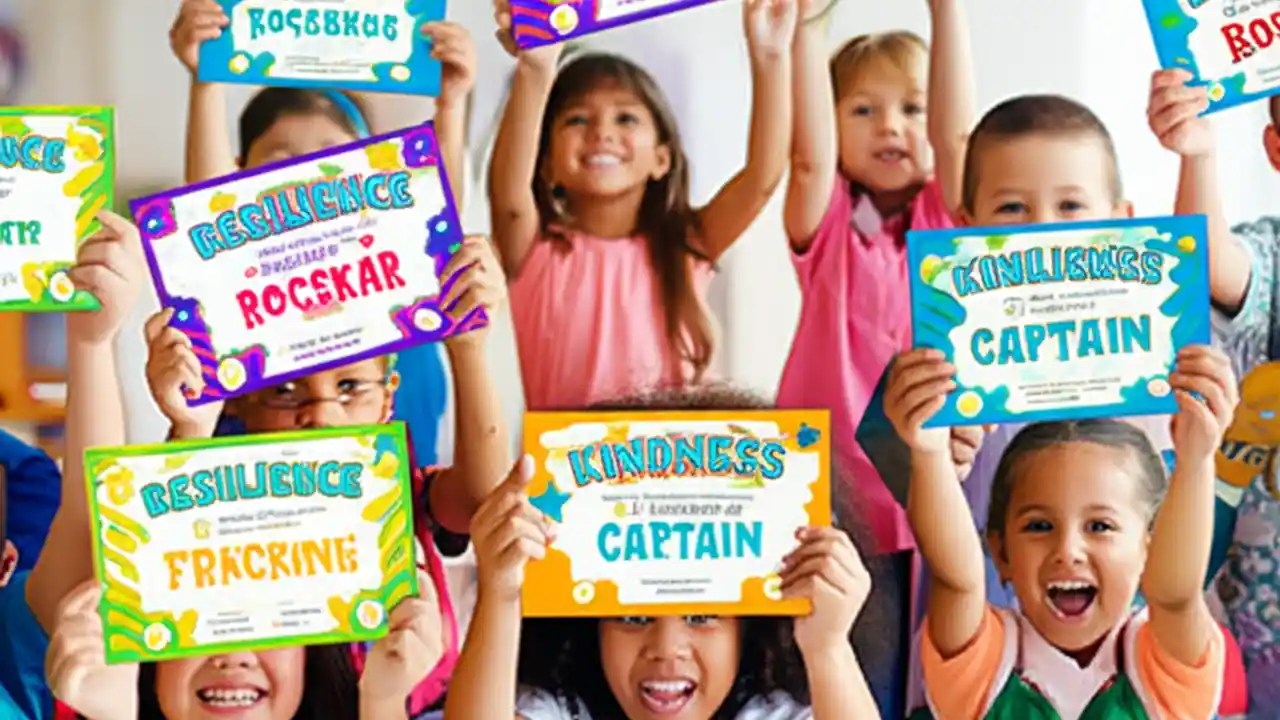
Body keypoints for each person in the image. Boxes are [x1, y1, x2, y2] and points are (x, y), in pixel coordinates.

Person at [445, 387, 883, 720]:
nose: (667, 649)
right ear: (591, 629)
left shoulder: (768, 711)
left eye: (701, 616)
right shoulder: (561, 708)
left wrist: (828, 648)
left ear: (747, 631)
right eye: (634, 618)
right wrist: (501, 597)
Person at [168, 0, 480, 466]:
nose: (307, 177)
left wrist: (450, 105)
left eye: (330, 157)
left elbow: (436, 214)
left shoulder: (388, 255)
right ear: (239, 174)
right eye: (281, 161)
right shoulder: (245, 268)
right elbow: (204, 206)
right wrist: (205, 80)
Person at [778, 3, 973, 713]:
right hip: (825, 505)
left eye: (911, 108)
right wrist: (807, 29)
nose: (891, 126)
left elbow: (956, 138)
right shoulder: (826, 221)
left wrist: (947, 12)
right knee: (832, 676)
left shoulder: (944, 222)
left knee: (917, 682)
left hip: (924, 500)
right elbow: (806, 156)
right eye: (863, 109)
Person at [886, 344, 1236, 718]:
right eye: (1039, 526)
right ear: (1000, 552)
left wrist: (1197, 457)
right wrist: (930, 455)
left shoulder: (1164, 668)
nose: (1068, 550)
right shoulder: (985, 665)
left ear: (1150, 548)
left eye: (1099, 526)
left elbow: (1175, 596)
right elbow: (956, 580)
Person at [488, 0, 794, 410]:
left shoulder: (687, 246)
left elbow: (762, 178)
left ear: (661, 160)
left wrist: (771, 56)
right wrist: (536, 69)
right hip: (561, 453)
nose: (602, 132)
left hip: (673, 451)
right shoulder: (535, 249)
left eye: (626, 119)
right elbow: (508, 198)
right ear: (546, 167)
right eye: (577, 119)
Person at [1148, 67, 1280, 713]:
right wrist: (1198, 155)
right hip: (1264, 644)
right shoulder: (1271, 258)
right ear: (1276, 148)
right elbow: (1206, 263)